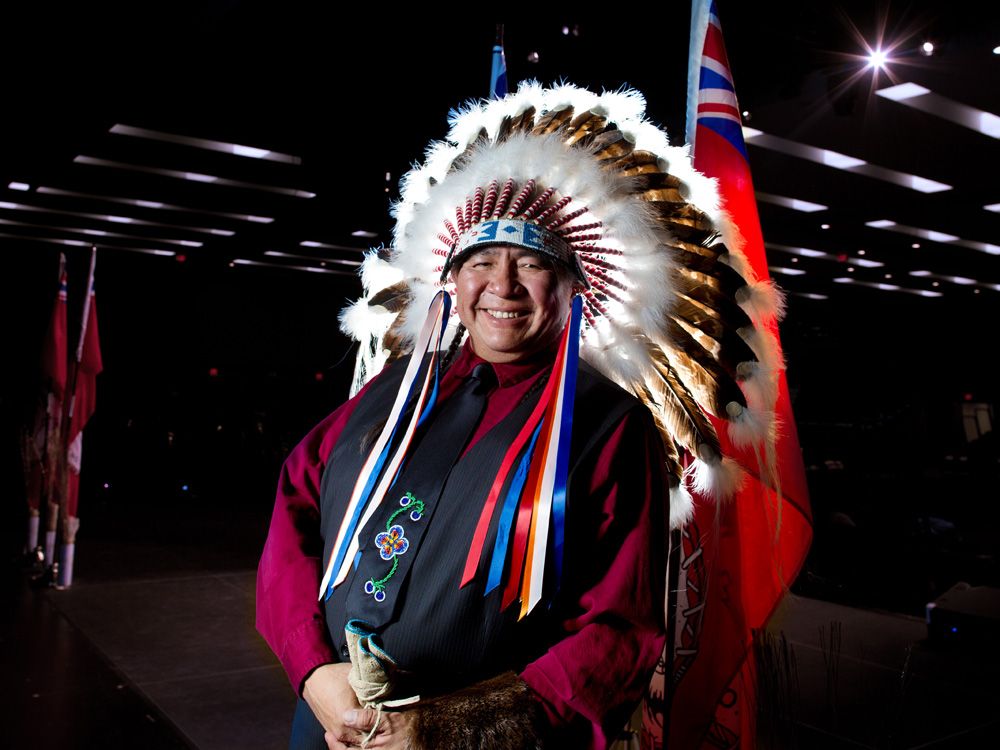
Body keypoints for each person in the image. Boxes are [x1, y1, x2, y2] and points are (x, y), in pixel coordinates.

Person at [257, 82, 782, 750]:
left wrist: (443, 730)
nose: (502, 286)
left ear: (574, 287)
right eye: (481, 262)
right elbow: (296, 503)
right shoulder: (394, 389)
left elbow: (619, 630)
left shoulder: (608, 424)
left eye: (532, 264)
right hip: (332, 719)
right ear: (453, 282)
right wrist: (313, 671)